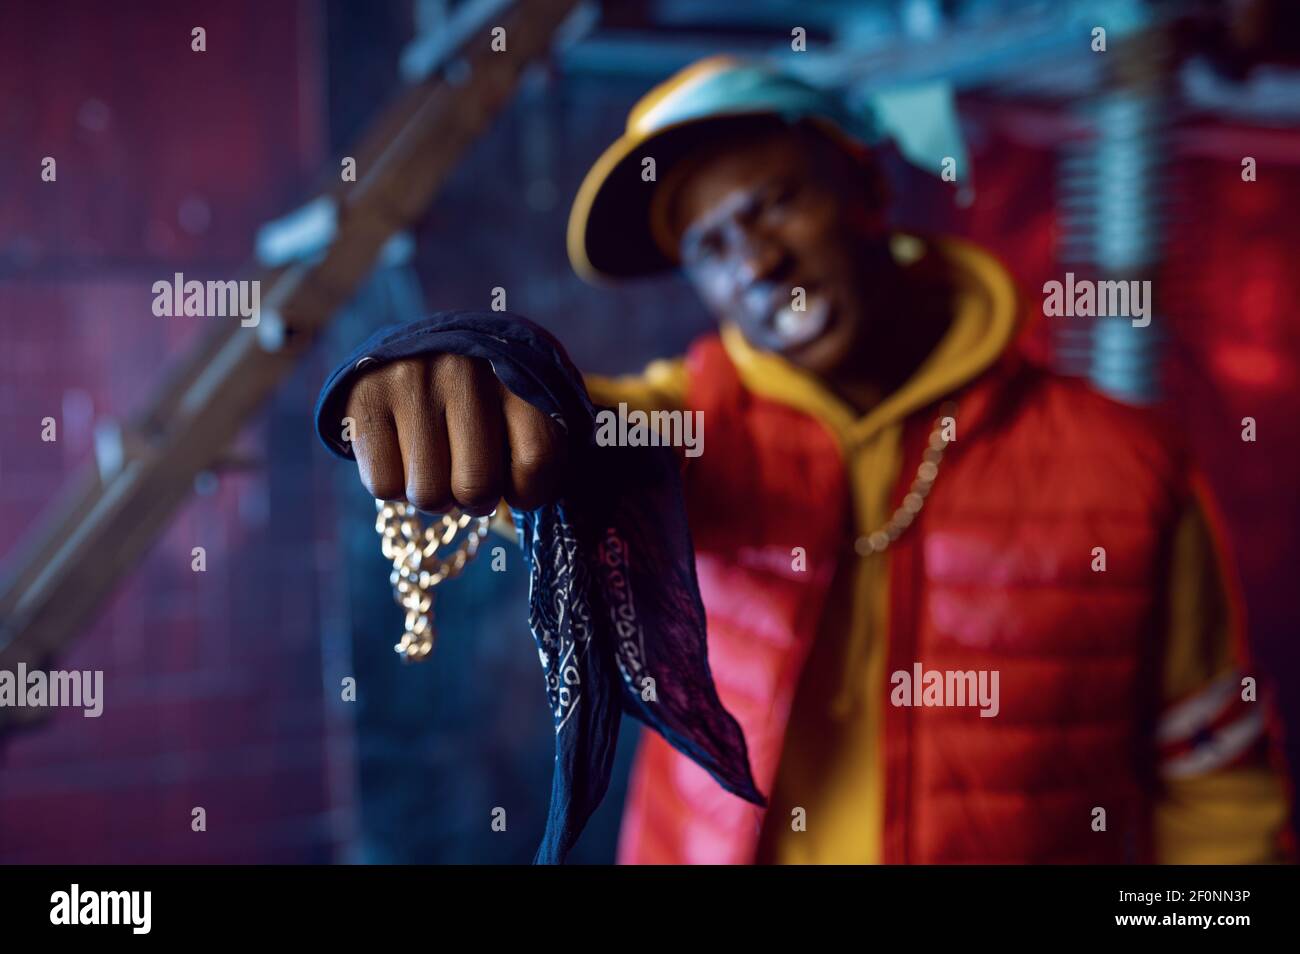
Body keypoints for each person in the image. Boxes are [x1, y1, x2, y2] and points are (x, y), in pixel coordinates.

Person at [320, 57, 1291, 863]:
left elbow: (1214, 783)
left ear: (865, 191)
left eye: (774, 202)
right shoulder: (687, 427)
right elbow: (565, 432)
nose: (755, 261)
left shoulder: (1123, 465)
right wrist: (468, 366)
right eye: (708, 243)